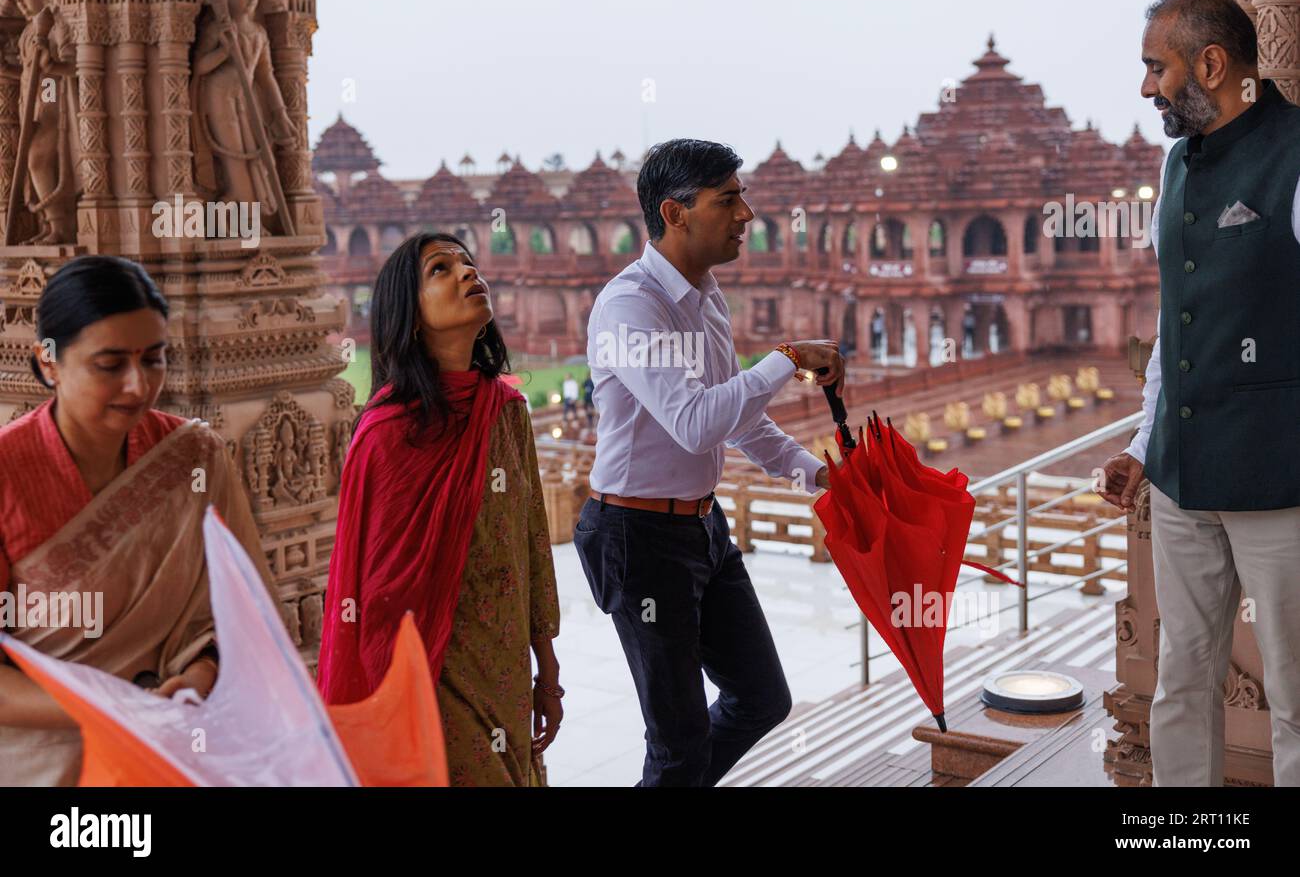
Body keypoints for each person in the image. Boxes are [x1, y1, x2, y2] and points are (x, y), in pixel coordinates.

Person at [575, 138, 845, 786]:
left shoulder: (707, 294)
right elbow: (696, 424)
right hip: (635, 536)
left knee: (761, 697)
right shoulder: (630, 305)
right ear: (676, 213)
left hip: (701, 525)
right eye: (728, 199)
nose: (746, 213)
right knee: (678, 741)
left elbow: (735, 415)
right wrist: (787, 356)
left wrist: (815, 472)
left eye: (741, 195)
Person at [1099, 0, 1300, 787]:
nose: (1147, 87)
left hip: (1279, 481)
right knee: (1182, 680)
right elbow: (1173, 319)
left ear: (1212, 65)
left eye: (1159, 67)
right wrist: (1143, 446)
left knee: (1294, 694)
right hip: (1182, 480)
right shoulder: (1175, 161)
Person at [0, 256, 274, 785]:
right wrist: (122, 710)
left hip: (178, 746)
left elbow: (245, 615)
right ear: (49, 361)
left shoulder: (194, 456)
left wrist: (197, 677)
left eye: (153, 359)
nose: (137, 386)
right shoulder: (8, 473)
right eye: (110, 364)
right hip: (49, 763)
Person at [317, 231, 562, 787]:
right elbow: (369, 586)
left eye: (469, 263)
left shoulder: (505, 410)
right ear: (409, 314)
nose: (467, 273)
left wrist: (545, 667)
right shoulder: (386, 432)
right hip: (430, 669)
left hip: (503, 662)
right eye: (440, 269)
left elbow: (532, 540)